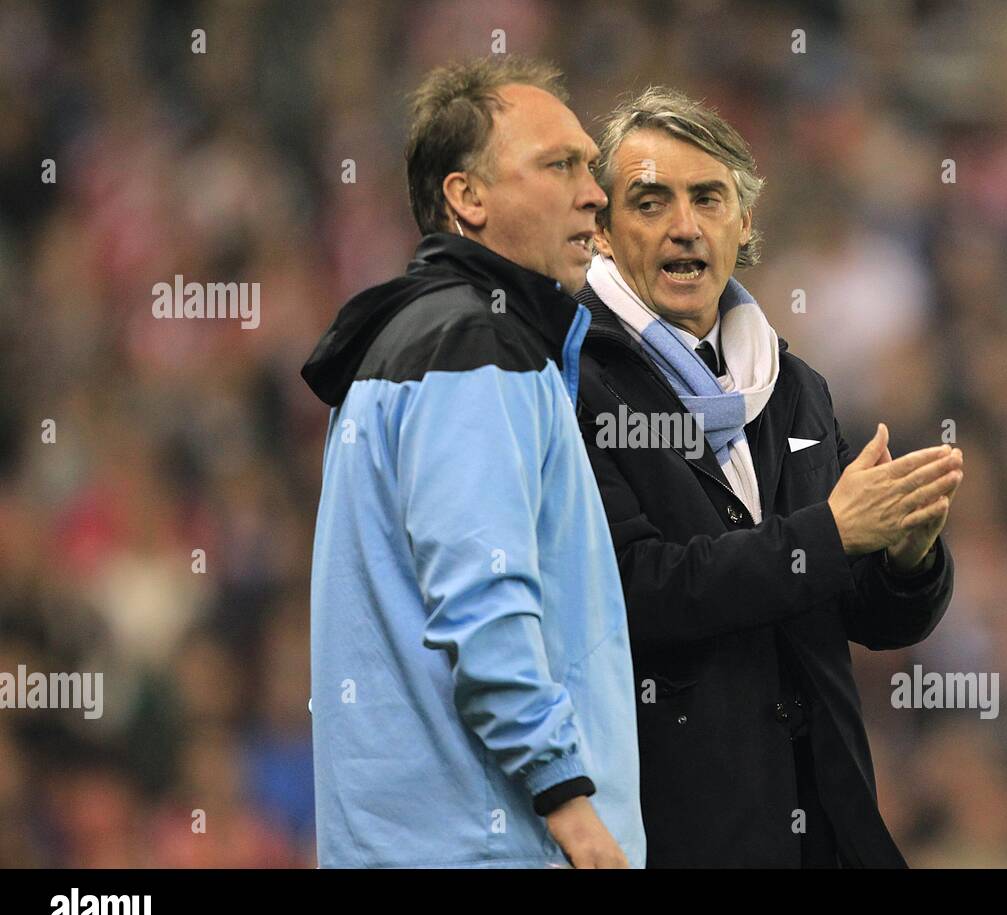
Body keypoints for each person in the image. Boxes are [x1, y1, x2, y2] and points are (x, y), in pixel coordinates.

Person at [575, 87, 961, 867]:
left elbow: (855, 613)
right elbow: (631, 590)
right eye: (651, 202)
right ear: (604, 232)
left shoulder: (792, 385)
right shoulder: (578, 381)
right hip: (686, 831)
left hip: (831, 823)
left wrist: (904, 557)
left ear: (743, 223)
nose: (685, 225)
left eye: (708, 198)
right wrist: (833, 533)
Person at [301, 56, 645, 868]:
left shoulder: (419, 345)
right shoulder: (472, 348)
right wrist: (569, 802)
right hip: (489, 844)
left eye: (590, 167)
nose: (594, 193)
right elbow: (482, 598)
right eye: (559, 165)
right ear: (468, 197)